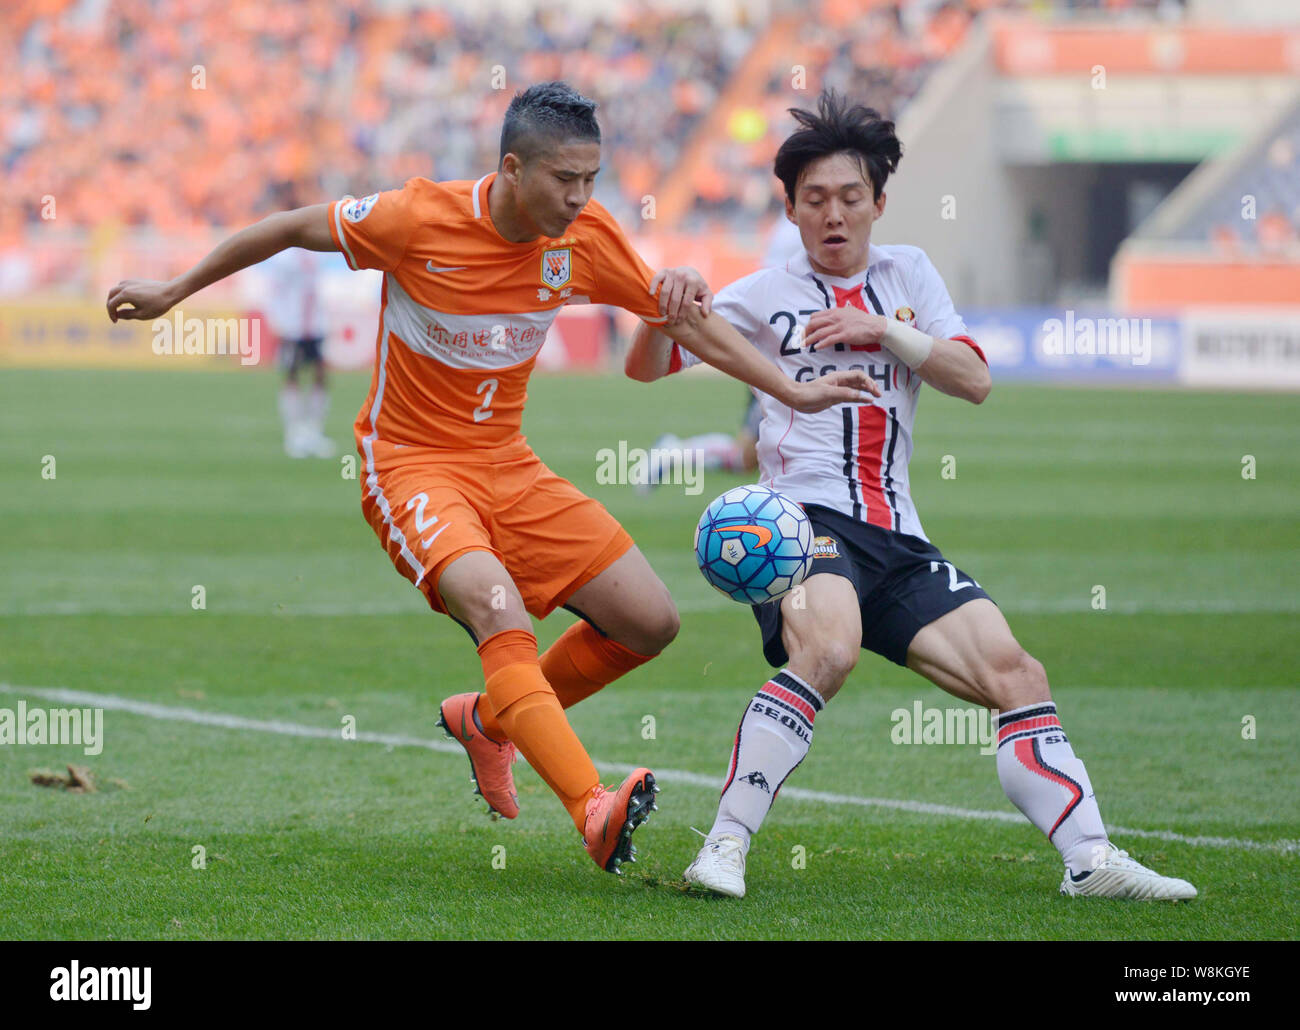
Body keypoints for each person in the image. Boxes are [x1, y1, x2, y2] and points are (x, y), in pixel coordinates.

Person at [105, 82, 876, 875]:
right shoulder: (416, 217)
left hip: (510, 463)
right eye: (563, 180)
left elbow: (680, 318)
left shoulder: (585, 236)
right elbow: (290, 227)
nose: (580, 198)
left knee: (649, 621)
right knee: (497, 610)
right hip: (410, 465)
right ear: (512, 169)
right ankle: (592, 808)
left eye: (591, 180)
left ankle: (490, 723)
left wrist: (786, 387)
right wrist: (172, 292)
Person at [625, 90, 1197, 901]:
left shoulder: (910, 276)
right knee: (829, 650)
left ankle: (1091, 861)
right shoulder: (761, 294)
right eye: (815, 199)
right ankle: (723, 846)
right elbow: (646, 365)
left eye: (850, 198)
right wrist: (663, 309)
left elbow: (975, 380)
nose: (834, 215)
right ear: (789, 208)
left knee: (1016, 673)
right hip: (802, 525)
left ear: (879, 203)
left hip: (897, 537)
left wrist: (886, 331)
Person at [260, 182, 340, 458]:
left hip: (315, 324)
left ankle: (314, 432)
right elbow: (275, 291)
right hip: (293, 326)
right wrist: (277, 321)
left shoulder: (314, 251)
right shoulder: (284, 256)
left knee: (319, 375)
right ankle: (294, 434)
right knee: (292, 376)